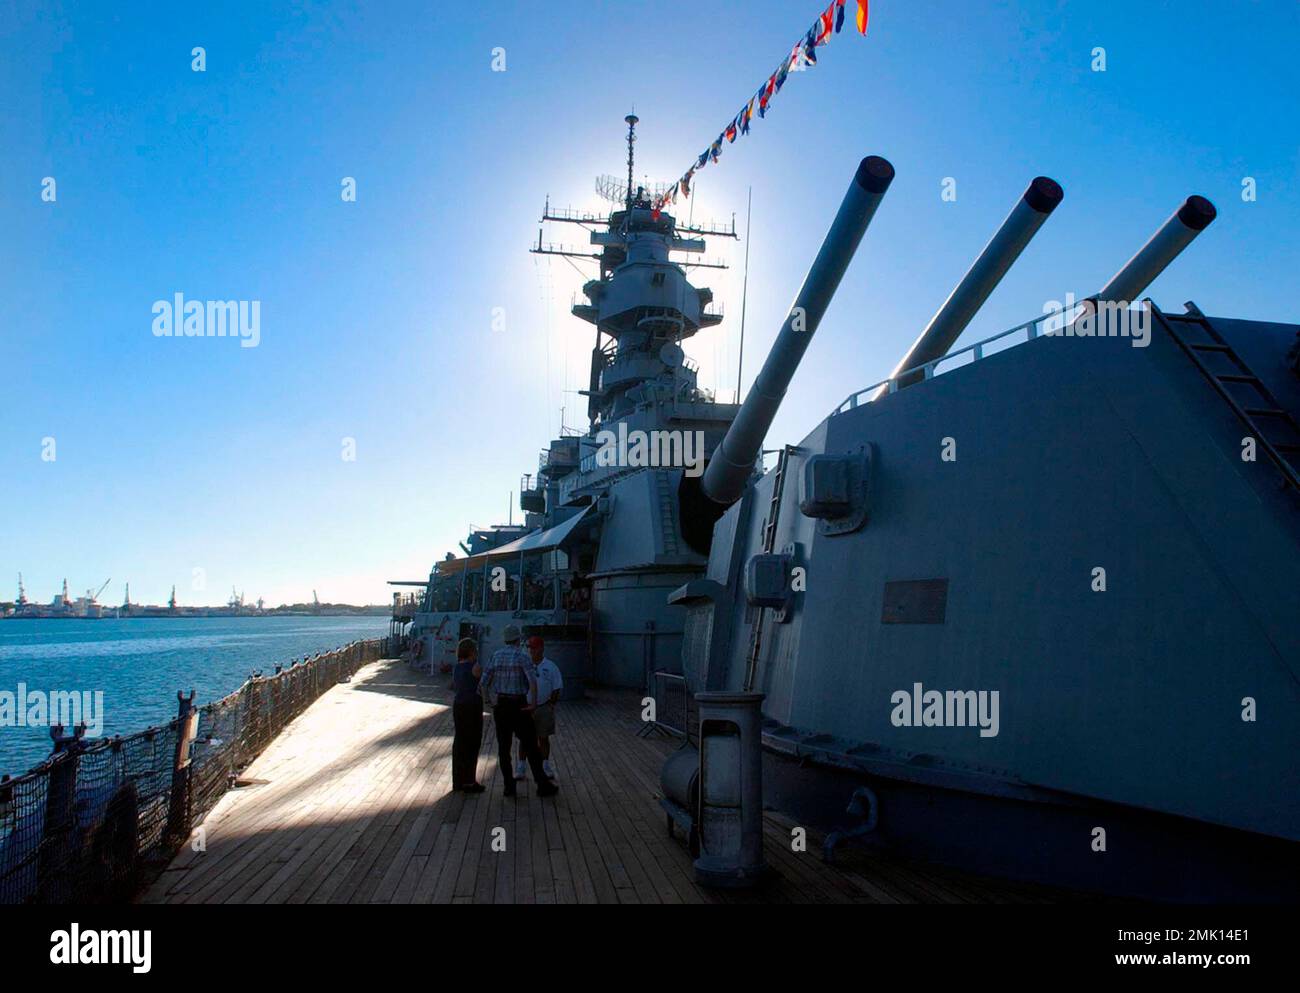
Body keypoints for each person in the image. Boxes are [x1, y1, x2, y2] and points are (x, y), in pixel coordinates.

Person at [479, 625, 557, 798]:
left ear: (505, 639)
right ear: (518, 639)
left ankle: (509, 787)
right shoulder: (522, 656)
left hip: (501, 706)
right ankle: (542, 785)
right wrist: (533, 704)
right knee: (531, 746)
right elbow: (532, 681)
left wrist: (488, 701)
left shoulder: (496, 655)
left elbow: (483, 682)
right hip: (519, 706)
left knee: (503, 749)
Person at [524, 635, 563, 780]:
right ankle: (521, 766)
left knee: (543, 738)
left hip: (543, 707)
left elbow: (557, 687)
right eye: (529, 647)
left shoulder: (551, 667)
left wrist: (551, 704)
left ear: (541, 648)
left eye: (533, 648)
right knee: (525, 739)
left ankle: (545, 765)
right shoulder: (525, 664)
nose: (531, 651)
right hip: (527, 707)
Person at [450, 638, 485, 794]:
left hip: (459, 706)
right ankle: (470, 781)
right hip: (472, 706)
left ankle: (458, 781)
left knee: (459, 742)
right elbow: (483, 683)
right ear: (472, 652)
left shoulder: (456, 667)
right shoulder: (475, 667)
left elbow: (453, 686)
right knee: (473, 743)